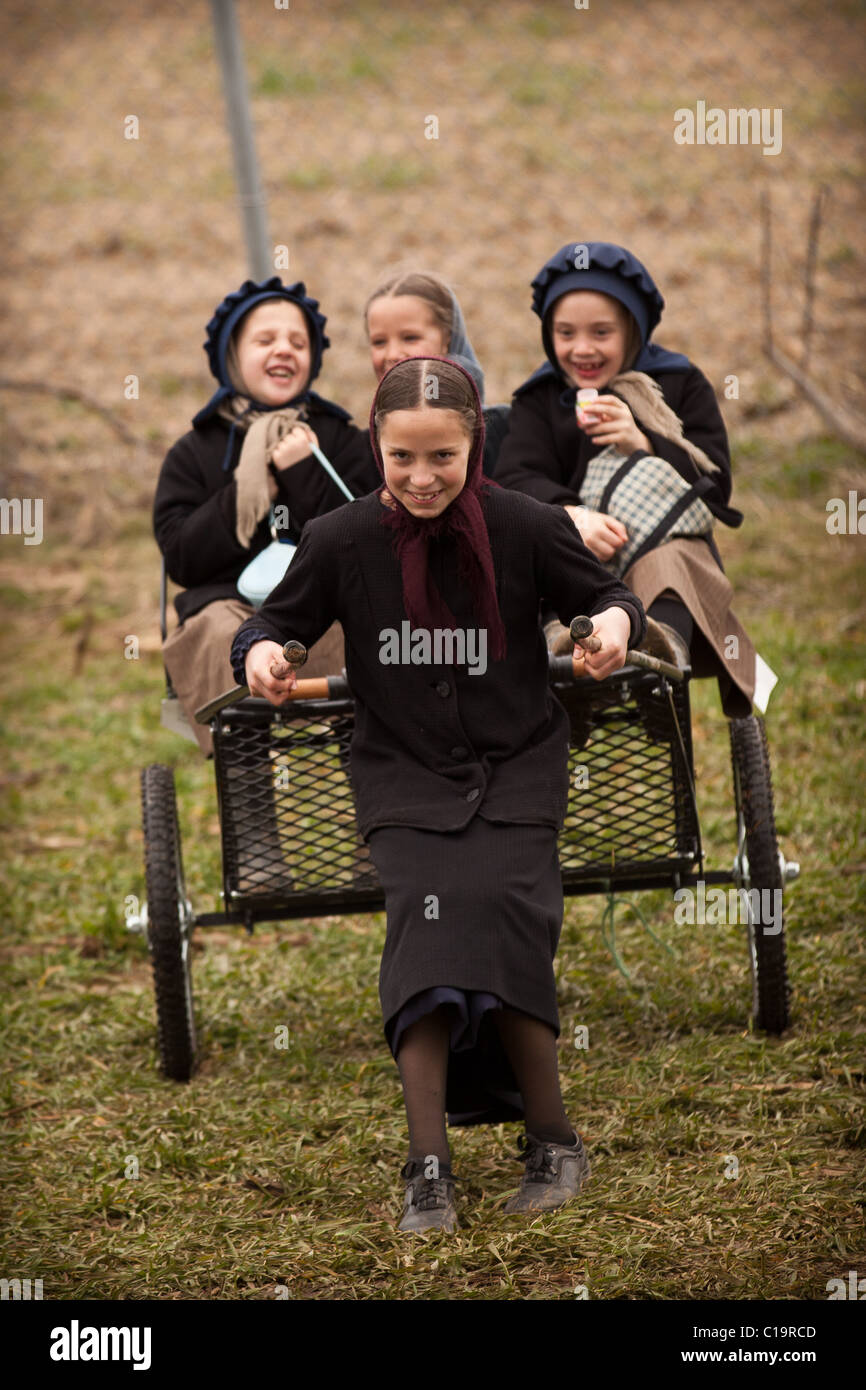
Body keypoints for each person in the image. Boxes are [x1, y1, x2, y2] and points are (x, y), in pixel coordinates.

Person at [230, 357, 646, 1232]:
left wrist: (610, 626)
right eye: (402, 459)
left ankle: (554, 1138)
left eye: (443, 459)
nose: (423, 479)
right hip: (404, 776)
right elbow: (278, 622)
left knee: (501, 906)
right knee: (426, 924)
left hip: (519, 765)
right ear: (377, 446)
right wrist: (259, 655)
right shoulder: (342, 539)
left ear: (474, 446)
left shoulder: (526, 525)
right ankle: (429, 1168)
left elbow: (606, 596)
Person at [494, 241, 758, 716]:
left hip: (659, 553)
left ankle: (658, 669)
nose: (582, 348)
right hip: (580, 560)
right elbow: (515, 476)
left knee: (674, 561)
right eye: (565, 332)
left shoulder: (678, 384)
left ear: (633, 329)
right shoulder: (540, 399)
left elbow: (715, 484)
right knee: (553, 566)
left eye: (602, 332)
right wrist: (571, 517)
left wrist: (646, 443)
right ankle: (568, 660)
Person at [153, 275, 378, 757]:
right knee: (215, 632)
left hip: (319, 606)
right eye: (265, 340)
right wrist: (252, 487)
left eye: (299, 342)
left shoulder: (337, 438)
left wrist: (303, 474)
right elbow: (183, 558)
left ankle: (373, 791)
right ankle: (247, 789)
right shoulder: (195, 451)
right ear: (233, 355)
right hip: (229, 607)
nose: (284, 350)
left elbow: (368, 539)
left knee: (362, 626)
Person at [364, 268, 507, 475]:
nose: (392, 354)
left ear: (447, 339)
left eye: (410, 337)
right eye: (379, 342)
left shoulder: (502, 433)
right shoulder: (365, 446)